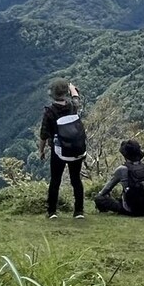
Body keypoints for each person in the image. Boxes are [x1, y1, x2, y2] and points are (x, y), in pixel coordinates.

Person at [38, 78, 86, 219]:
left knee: (55, 180)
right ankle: (79, 211)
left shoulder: (50, 112)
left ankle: (52, 212)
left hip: (58, 151)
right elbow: (76, 98)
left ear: (52, 94)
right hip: (75, 150)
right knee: (76, 179)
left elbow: (43, 134)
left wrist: (41, 151)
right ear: (65, 93)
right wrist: (72, 89)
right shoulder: (72, 107)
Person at [94, 139, 144, 219]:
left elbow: (105, 191)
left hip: (131, 209)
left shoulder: (122, 169)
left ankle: (103, 211)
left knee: (99, 198)